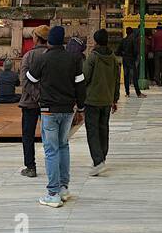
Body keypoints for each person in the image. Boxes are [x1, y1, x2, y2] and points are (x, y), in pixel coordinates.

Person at [26, 25, 87, 207]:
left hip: (48, 110)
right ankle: (63, 187)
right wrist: (81, 107)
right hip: (67, 109)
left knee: (51, 150)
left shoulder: (44, 58)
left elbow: (31, 78)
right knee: (63, 146)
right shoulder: (73, 59)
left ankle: (53, 193)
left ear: (49, 41)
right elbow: (80, 85)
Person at [82, 29, 121, 175]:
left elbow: (85, 77)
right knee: (103, 129)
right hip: (107, 99)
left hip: (92, 99)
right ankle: (102, 156)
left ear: (96, 41)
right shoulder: (113, 58)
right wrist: (115, 99)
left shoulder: (93, 57)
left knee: (92, 131)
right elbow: (117, 80)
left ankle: (97, 161)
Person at [18, 25, 51, 178]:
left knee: (28, 135)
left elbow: (25, 81)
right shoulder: (51, 54)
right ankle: (52, 165)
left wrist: (36, 96)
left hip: (30, 102)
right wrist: (43, 97)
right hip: (48, 101)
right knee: (49, 135)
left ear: (36, 38)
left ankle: (30, 166)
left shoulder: (29, 56)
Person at [118, 28, 144, 97]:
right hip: (131, 60)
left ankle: (127, 93)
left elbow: (118, 51)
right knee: (134, 77)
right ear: (132, 33)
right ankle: (138, 93)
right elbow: (135, 51)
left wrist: (123, 54)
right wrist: (134, 57)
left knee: (126, 77)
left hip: (125, 60)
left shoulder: (123, 40)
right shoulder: (133, 40)